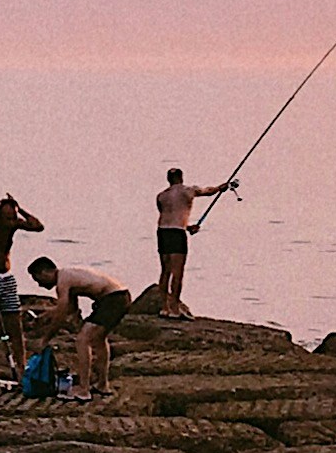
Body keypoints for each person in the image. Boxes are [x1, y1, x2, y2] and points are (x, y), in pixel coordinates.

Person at [21, 254, 134, 398]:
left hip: (112, 299)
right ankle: (102, 384)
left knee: (82, 340)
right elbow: (69, 309)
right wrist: (43, 318)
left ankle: (84, 389)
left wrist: (45, 339)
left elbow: (61, 315)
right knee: (99, 340)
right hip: (121, 297)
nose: (40, 285)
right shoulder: (69, 278)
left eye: (38, 280)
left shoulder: (63, 280)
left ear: (44, 272)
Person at [0, 192, 43, 386]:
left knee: (15, 323)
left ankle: (22, 365)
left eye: (14, 217)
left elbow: (38, 226)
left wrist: (21, 210)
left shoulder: (13, 225)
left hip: (6, 278)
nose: (12, 221)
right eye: (8, 217)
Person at [150, 166, 238, 317]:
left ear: (168, 180)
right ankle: (175, 310)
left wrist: (188, 226)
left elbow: (168, 215)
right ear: (181, 178)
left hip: (163, 232)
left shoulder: (161, 196)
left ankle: (164, 308)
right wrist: (220, 188)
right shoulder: (187, 191)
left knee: (165, 271)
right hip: (177, 234)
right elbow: (207, 191)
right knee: (178, 273)